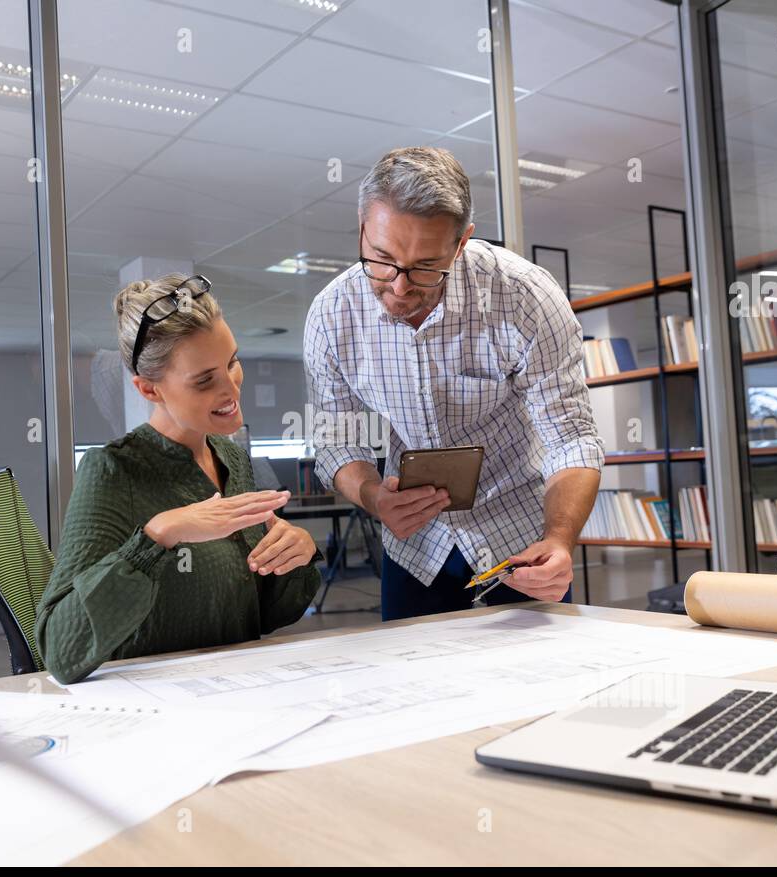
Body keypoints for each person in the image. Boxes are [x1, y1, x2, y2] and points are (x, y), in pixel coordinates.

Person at [304, 146, 603, 621]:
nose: (399, 287)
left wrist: (559, 540)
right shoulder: (331, 315)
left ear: (461, 243)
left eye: (425, 266)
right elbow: (336, 444)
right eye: (381, 259)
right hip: (414, 553)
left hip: (521, 543)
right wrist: (374, 497)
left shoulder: (524, 297)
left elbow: (571, 441)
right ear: (362, 227)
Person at [37, 274, 320, 683]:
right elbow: (59, 653)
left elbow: (258, 615)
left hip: (237, 694)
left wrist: (296, 555)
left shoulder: (232, 460)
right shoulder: (113, 471)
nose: (231, 388)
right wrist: (157, 536)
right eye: (205, 379)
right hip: (157, 716)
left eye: (232, 363)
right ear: (149, 390)